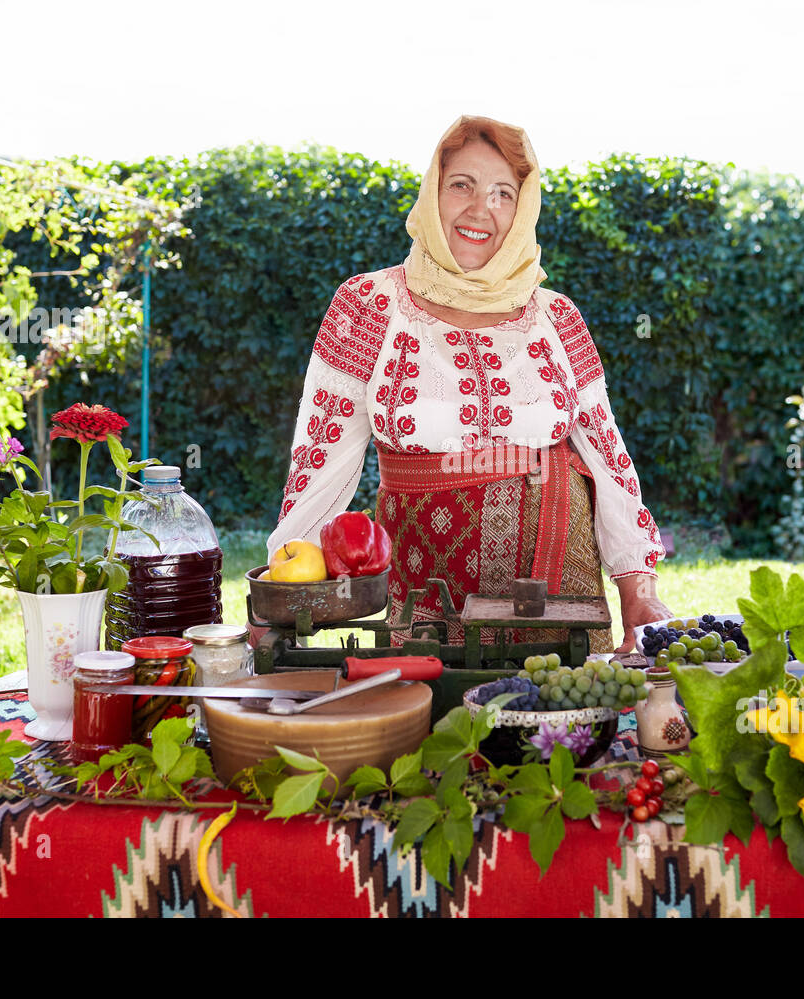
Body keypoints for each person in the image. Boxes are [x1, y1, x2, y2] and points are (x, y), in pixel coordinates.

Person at [266, 114, 672, 653]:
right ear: (432, 192)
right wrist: (278, 599)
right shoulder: (368, 305)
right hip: (427, 597)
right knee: (435, 729)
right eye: (462, 185)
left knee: (563, 728)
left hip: (559, 590)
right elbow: (319, 464)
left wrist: (638, 591)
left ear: (523, 210)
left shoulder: (558, 317)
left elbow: (606, 456)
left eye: (505, 193)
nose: (482, 209)